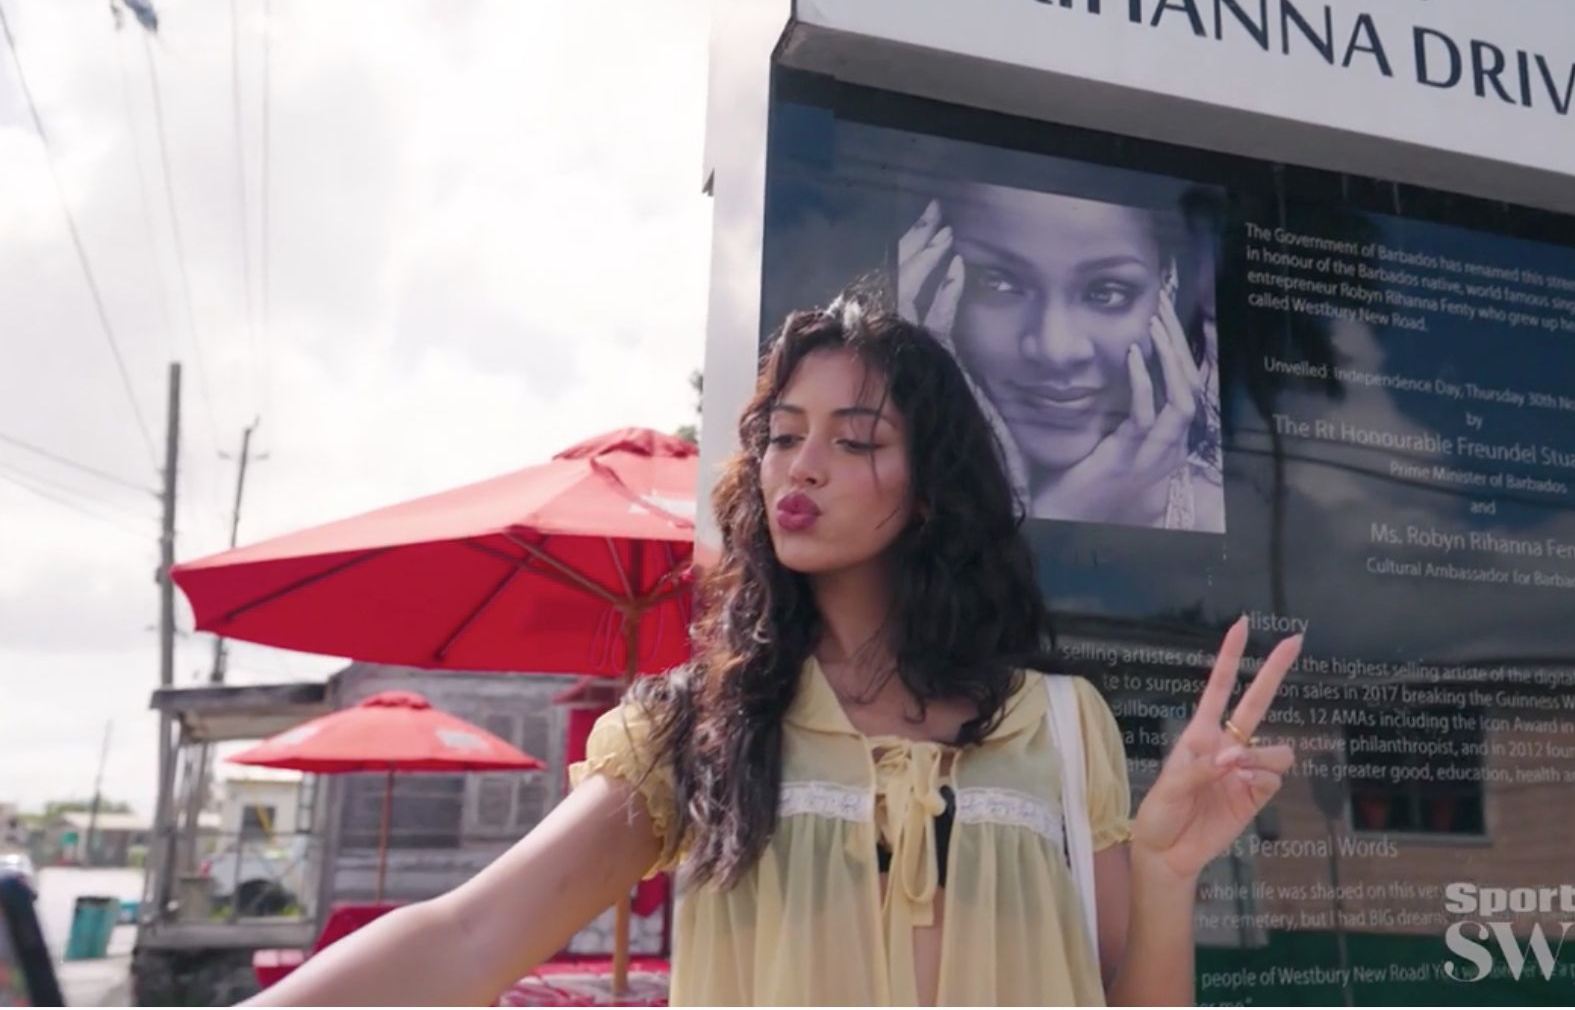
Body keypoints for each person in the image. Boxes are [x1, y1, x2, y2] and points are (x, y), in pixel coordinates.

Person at [247, 286, 1300, 1007]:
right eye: (783, 435)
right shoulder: (697, 728)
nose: (802, 466)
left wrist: (1166, 872)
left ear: (933, 489)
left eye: (856, 439)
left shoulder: (1060, 728)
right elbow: (469, 937)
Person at [898, 182, 1225, 533]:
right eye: (999, 284)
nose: (1056, 350)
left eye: (1106, 293)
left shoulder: (1222, 518)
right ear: (928, 278)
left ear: (1167, 286)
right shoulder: (884, 500)